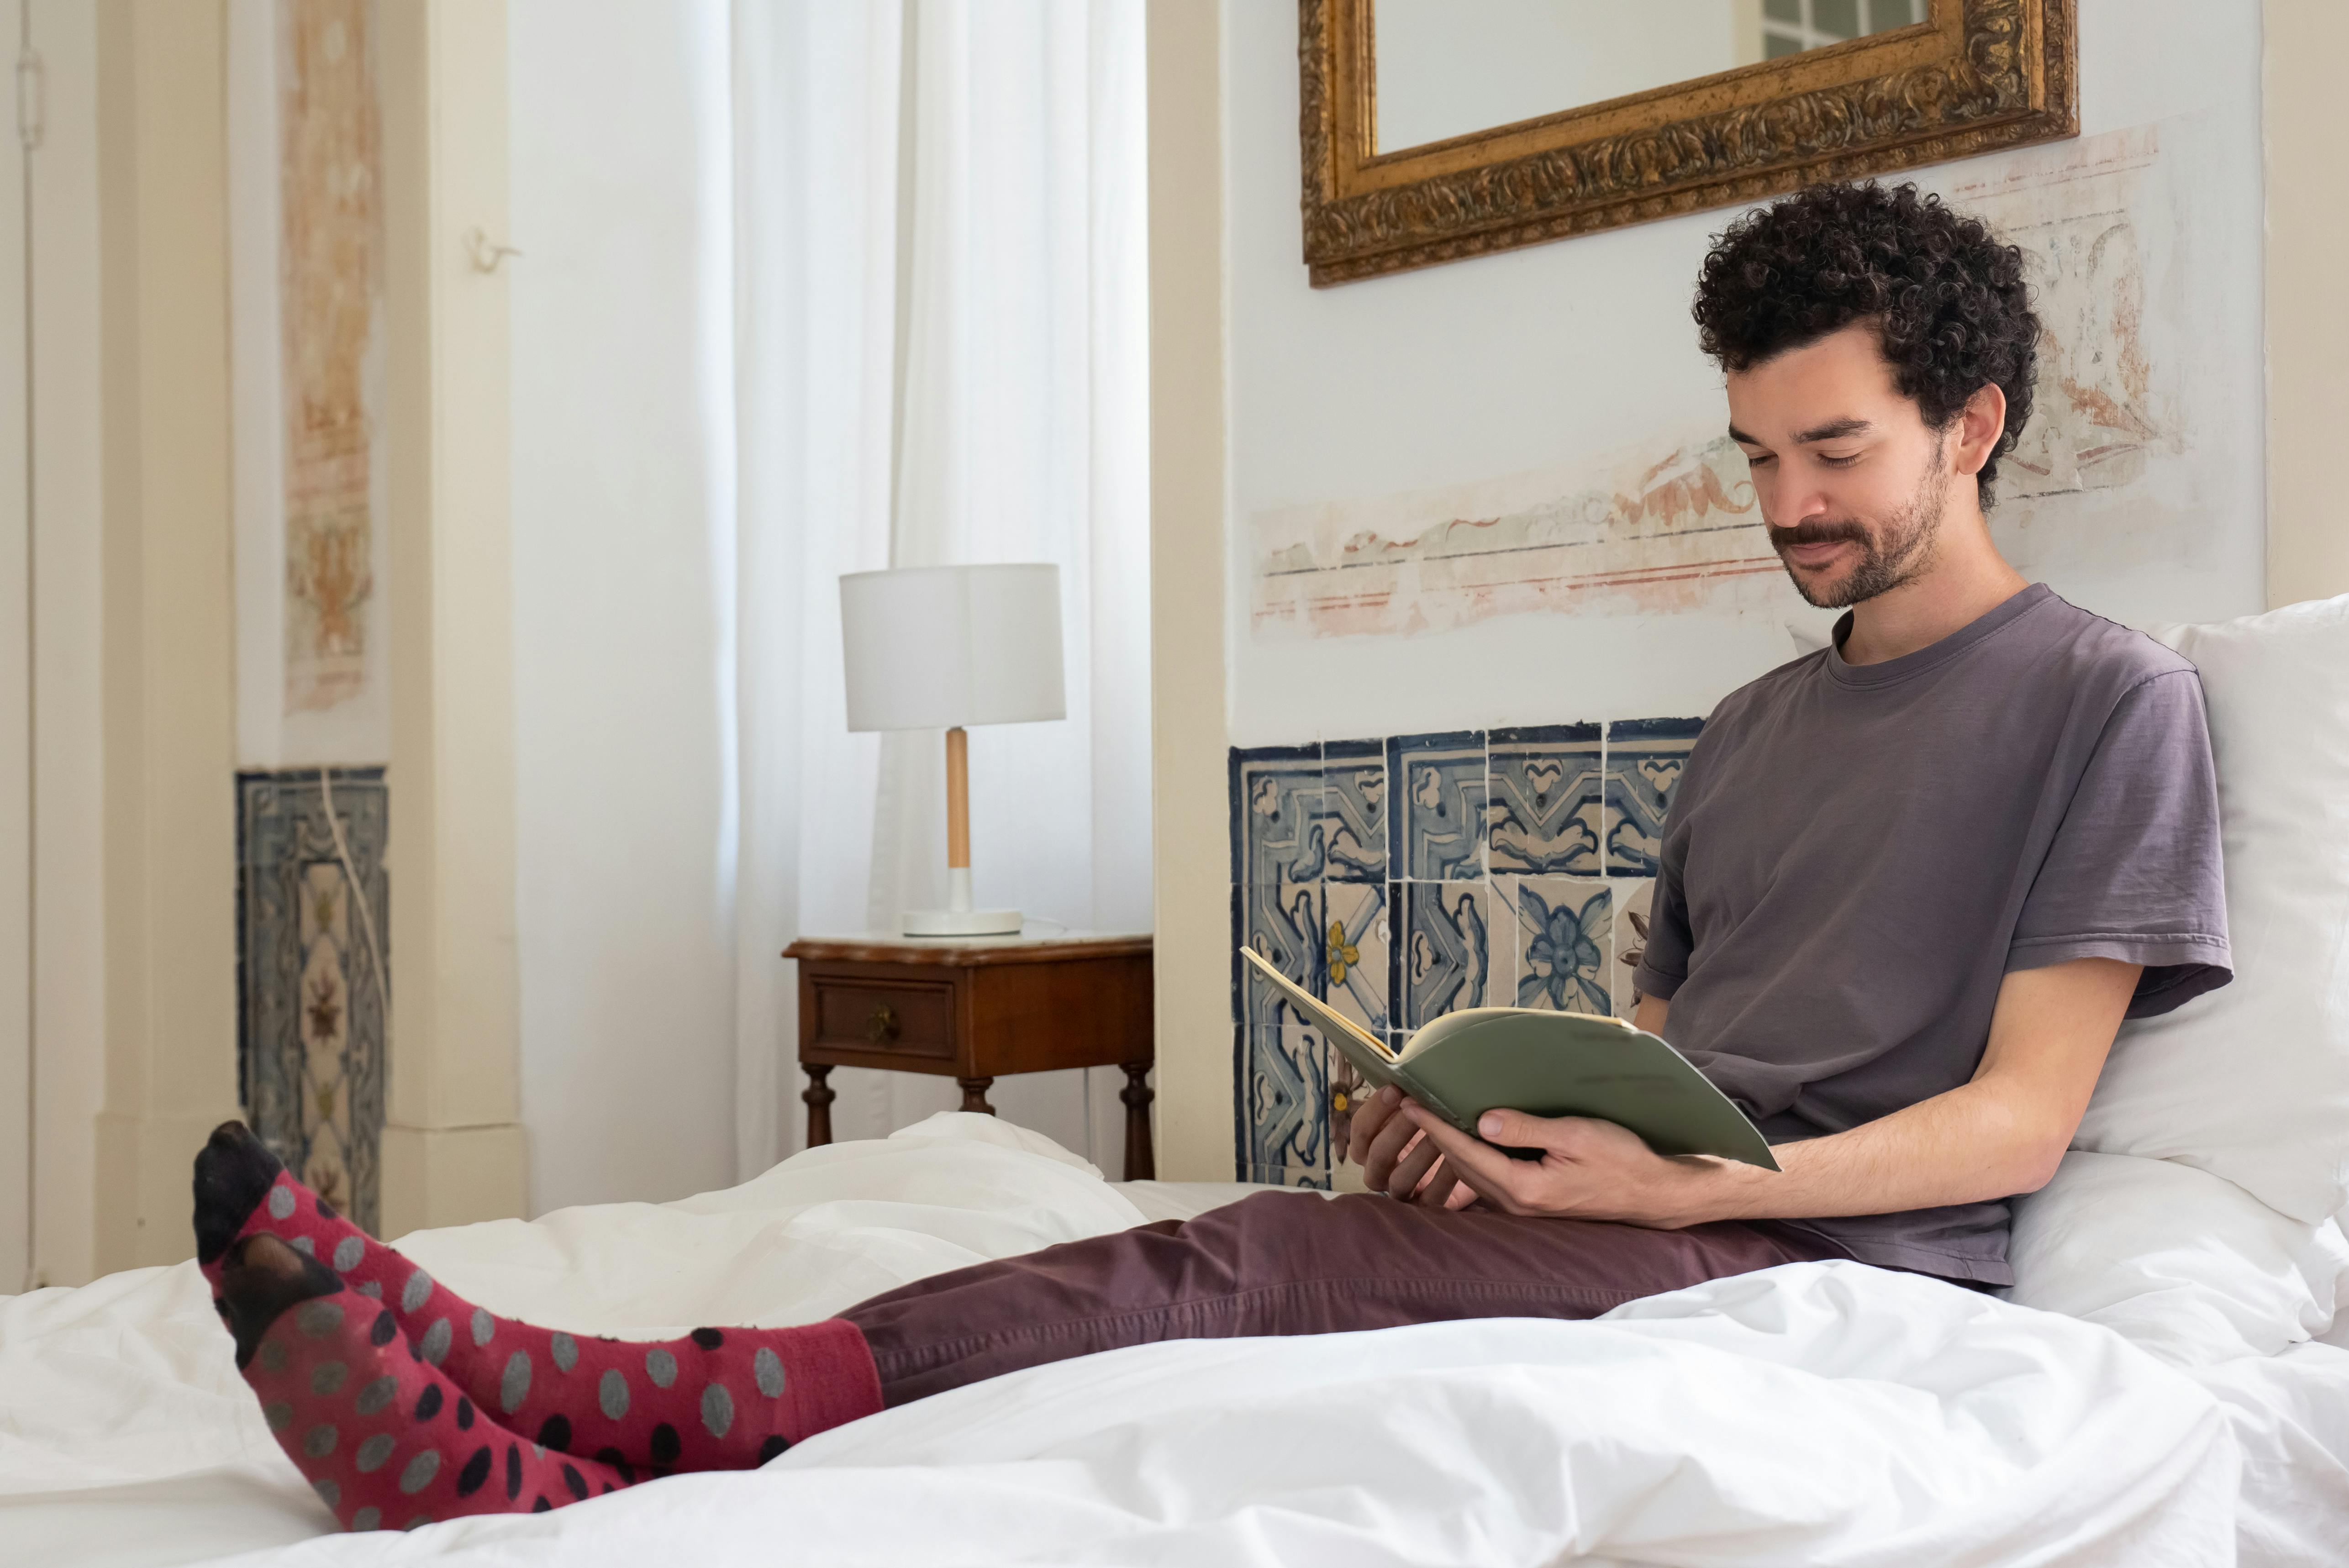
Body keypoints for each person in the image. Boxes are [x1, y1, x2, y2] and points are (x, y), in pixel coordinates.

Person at [195, 181, 2231, 1533]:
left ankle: (594, 1427)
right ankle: (527, 1398)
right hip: (1655, 1201)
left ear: (1970, 426)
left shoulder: (2104, 701)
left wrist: (1695, 1183)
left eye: (1836, 452)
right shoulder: (1752, 729)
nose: (1786, 504)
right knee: (1250, 1238)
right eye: (1759, 457)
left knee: (1238, 1258)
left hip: (1812, 1250)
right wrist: (1494, 1129)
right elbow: (1666, 1045)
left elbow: (2019, 1122)